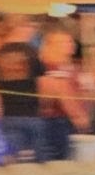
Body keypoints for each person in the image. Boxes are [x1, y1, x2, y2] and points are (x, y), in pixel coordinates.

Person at [35, 29, 90, 160]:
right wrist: (78, 116)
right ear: (51, 45)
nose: (70, 45)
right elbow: (60, 92)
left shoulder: (69, 66)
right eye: (64, 42)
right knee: (58, 160)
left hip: (65, 121)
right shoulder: (51, 66)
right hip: (56, 122)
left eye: (70, 41)